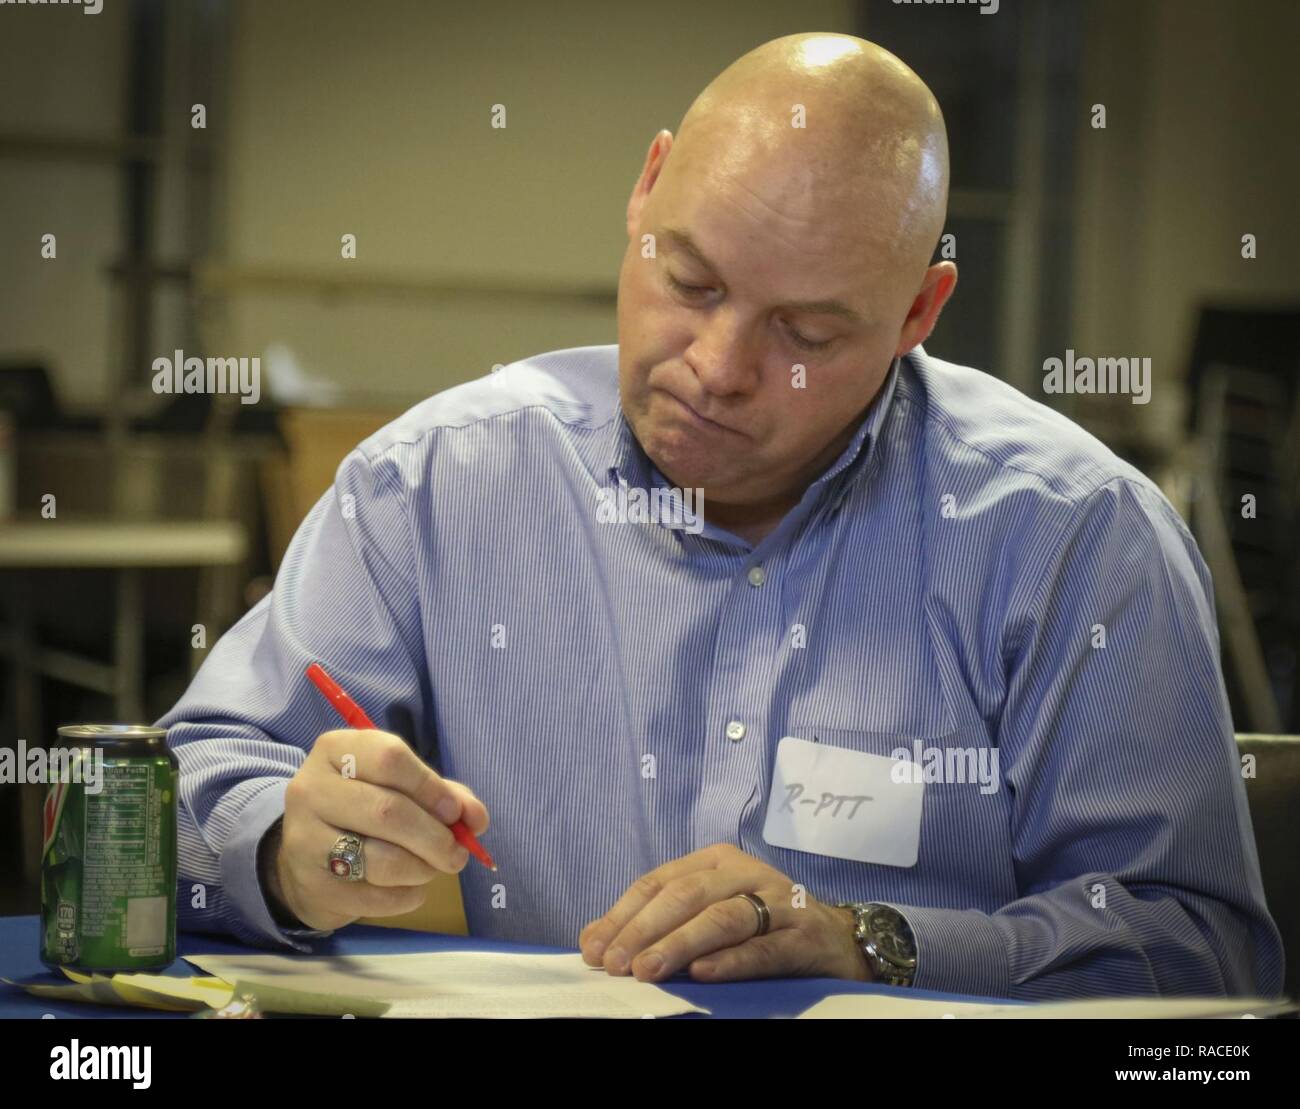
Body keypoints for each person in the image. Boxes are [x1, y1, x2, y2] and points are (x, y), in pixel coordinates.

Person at [158, 32, 1284, 999]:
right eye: (689, 280)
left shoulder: (1073, 540)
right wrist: (278, 851)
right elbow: (165, 804)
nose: (716, 365)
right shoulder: (440, 487)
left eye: (803, 333)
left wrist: (874, 943)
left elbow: (1205, 954)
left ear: (916, 313)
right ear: (646, 190)